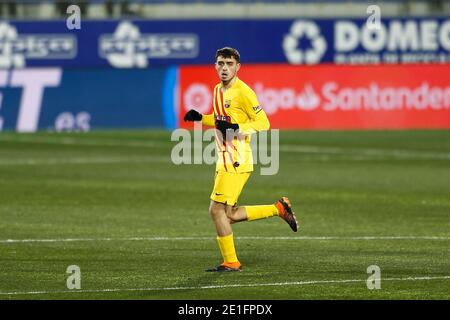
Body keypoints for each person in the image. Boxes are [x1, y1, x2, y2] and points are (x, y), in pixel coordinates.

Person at [183, 47, 298, 272]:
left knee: (216, 211)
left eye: (229, 64)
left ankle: (231, 262)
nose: (224, 68)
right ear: (215, 66)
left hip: (236, 159)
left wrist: (237, 127)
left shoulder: (244, 92)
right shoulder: (217, 90)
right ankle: (278, 208)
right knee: (229, 214)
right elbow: (221, 120)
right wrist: (201, 118)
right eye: (220, 63)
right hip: (224, 158)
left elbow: (263, 122)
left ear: (238, 67)